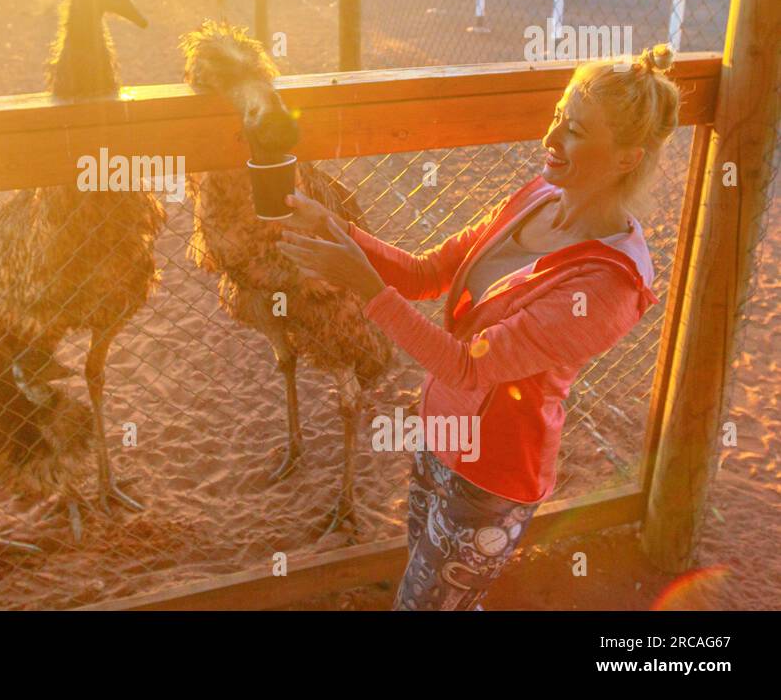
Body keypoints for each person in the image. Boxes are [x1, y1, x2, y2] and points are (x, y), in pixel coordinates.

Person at [277, 45, 680, 610]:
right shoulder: (539, 197)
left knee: (424, 605)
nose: (552, 138)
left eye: (577, 131)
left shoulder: (609, 284)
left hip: (492, 475)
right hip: (441, 431)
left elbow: (469, 366)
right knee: (439, 594)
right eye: (559, 115)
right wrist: (338, 228)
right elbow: (429, 273)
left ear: (625, 159)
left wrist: (364, 284)